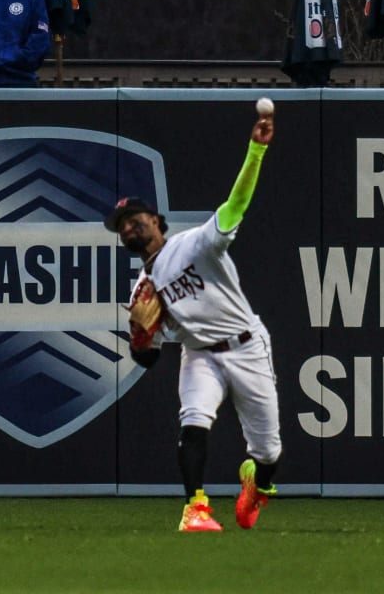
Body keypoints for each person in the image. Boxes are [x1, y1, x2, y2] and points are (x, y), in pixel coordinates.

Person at [104, 110, 280, 533]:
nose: (129, 227)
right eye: (122, 226)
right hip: (199, 354)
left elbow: (236, 204)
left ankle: (256, 485)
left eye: (135, 219)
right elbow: (147, 358)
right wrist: (141, 340)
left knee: (269, 452)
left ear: (157, 222)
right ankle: (195, 507)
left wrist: (256, 150)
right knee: (194, 419)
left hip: (247, 346)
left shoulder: (196, 244)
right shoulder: (142, 292)